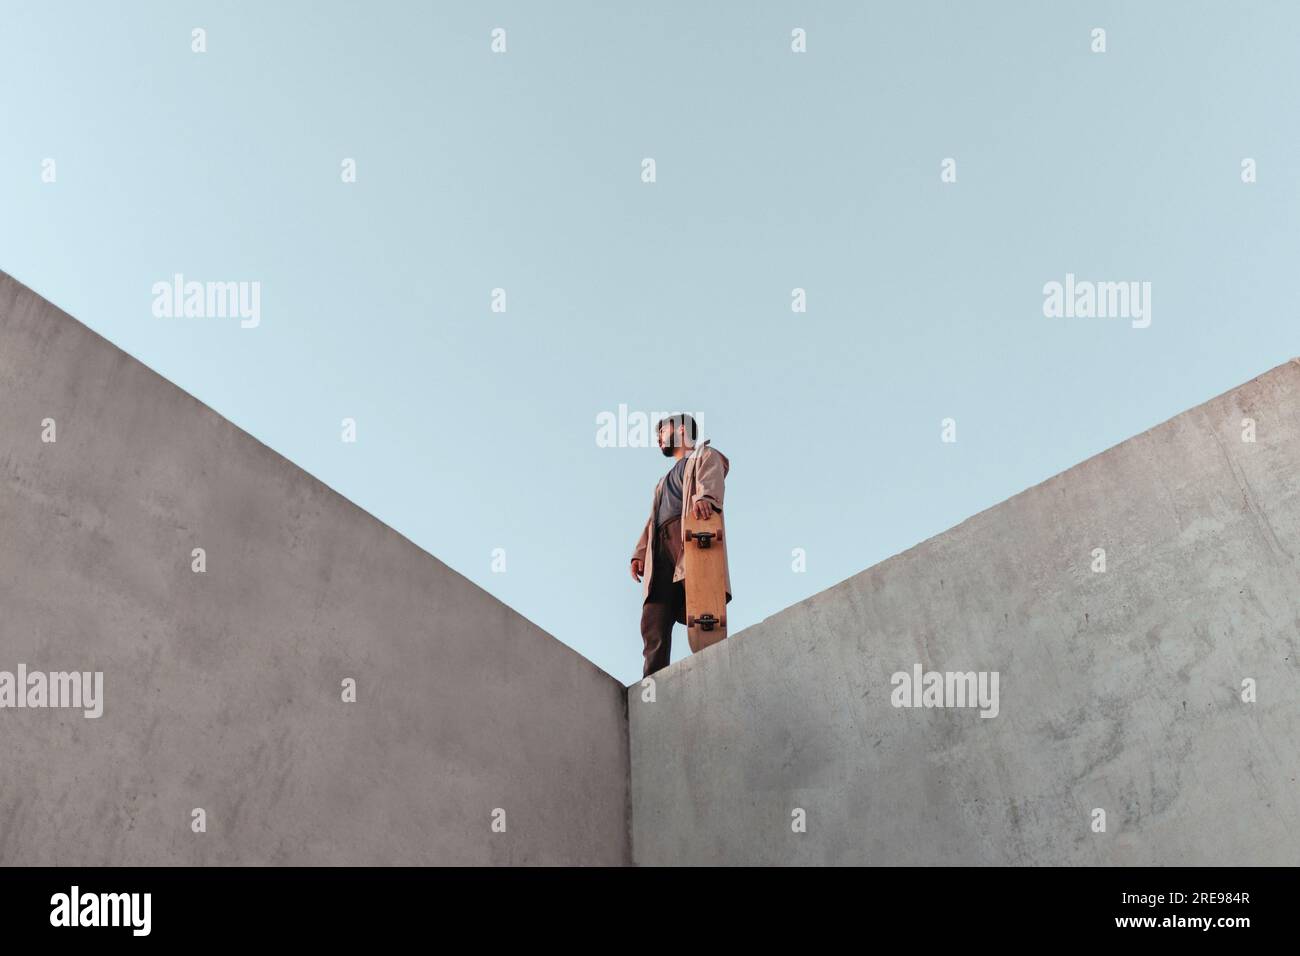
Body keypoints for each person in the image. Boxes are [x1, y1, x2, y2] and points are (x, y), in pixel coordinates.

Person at [630, 414, 731, 677]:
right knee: (654, 613)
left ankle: (712, 667)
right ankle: (652, 679)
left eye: (662, 431)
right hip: (659, 546)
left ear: (681, 429)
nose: (658, 438)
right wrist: (640, 553)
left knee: (701, 601)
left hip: (689, 533)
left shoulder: (704, 455)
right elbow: (652, 520)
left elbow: (713, 473)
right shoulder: (661, 483)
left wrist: (705, 497)